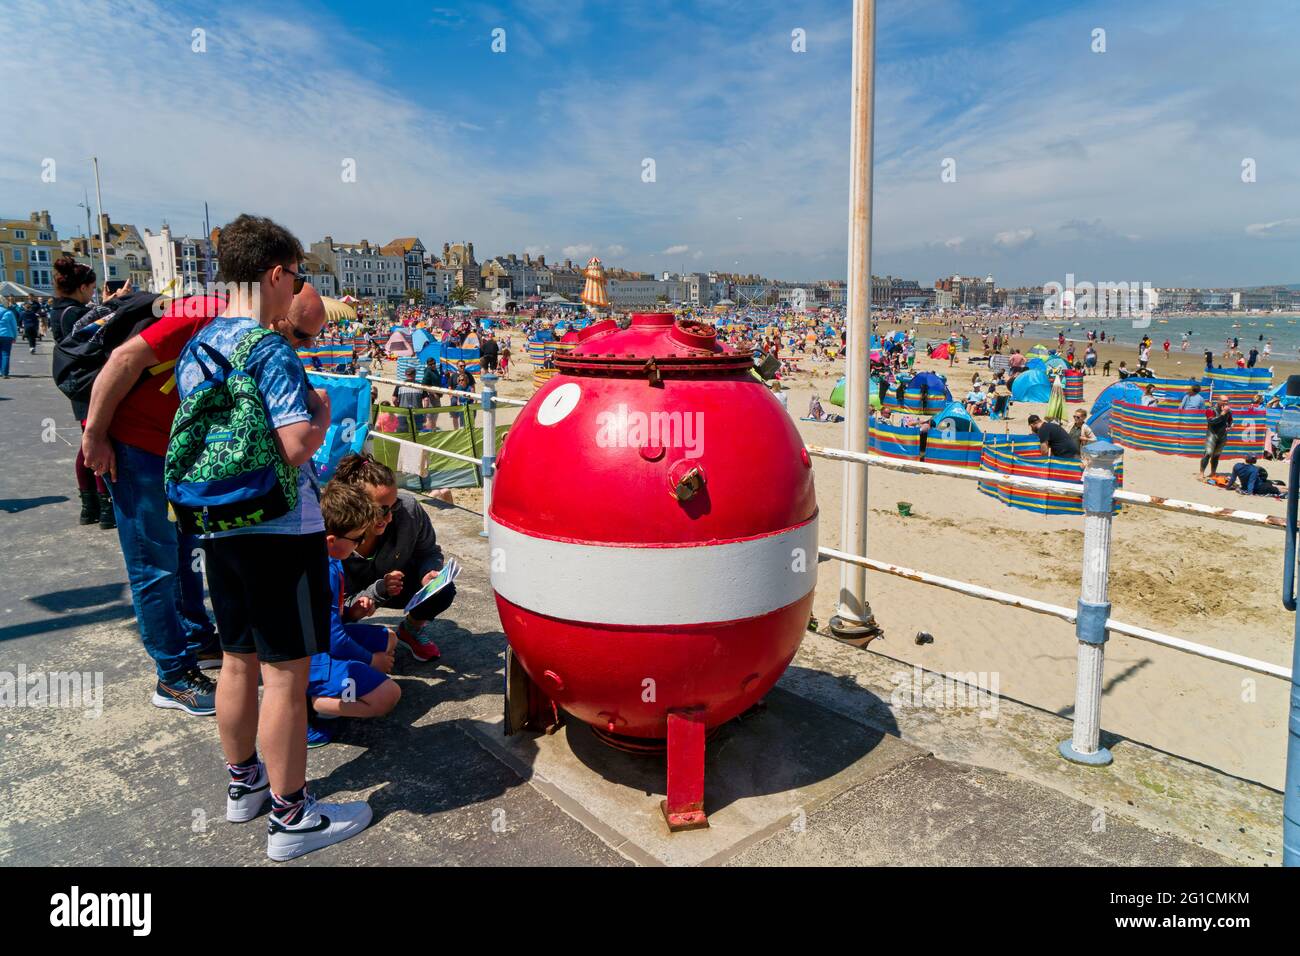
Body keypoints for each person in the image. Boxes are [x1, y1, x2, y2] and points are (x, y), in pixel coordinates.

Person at [174, 214, 371, 862]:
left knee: (236, 661)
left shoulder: (199, 348)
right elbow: (291, 448)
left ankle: (244, 787)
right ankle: (292, 820)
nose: (297, 290)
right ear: (275, 274)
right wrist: (319, 414)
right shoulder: (267, 348)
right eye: (295, 276)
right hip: (280, 531)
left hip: (219, 526)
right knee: (286, 677)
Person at [81, 293, 226, 714]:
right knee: (154, 564)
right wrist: (94, 433)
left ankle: (197, 640)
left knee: (185, 551)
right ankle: (172, 678)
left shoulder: (248, 327)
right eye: (302, 334)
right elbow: (124, 360)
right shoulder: (204, 310)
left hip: (178, 449)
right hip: (138, 448)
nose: (303, 343)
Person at [333, 453, 456, 662]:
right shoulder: (334, 535)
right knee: (335, 620)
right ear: (353, 505)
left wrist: (429, 572)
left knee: (443, 589)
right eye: (380, 510)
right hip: (353, 600)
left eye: (394, 504)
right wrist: (376, 592)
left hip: (397, 587)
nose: (389, 516)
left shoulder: (408, 509)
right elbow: (336, 603)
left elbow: (429, 551)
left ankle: (411, 629)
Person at [307, 481, 402, 748]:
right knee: (388, 696)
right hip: (312, 659)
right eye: (358, 538)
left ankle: (332, 693)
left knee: (390, 638)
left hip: (321, 644)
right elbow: (333, 638)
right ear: (331, 540)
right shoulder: (323, 569)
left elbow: (331, 622)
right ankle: (311, 704)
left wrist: (352, 612)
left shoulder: (331, 557)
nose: (361, 543)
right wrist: (371, 660)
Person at [50, 256, 116, 529]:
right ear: (81, 288)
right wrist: (111, 306)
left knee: (86, 443)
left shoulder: (58, 310)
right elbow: (95, 336)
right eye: (90, 289)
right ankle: (103, 507)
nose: (92, 293)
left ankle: (89, 506)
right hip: (90, 384)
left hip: (78, 385)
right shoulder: (75, 313)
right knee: (96, 442)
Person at [1198, 399, 1233, 479]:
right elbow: (1211, 422)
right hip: (1212, 434)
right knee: (1208, 453)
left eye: (1227, 401)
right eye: (1224, 401)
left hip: (1222, 435)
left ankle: (1213, 473)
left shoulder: (1228, 411)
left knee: (1216, 455)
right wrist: (1222, 414)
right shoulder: (1210, 410)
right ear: (1218, 401)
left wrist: (1230, 426)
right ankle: (1201, 473)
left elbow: (1230, 421)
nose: (1226, 402)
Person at [0, 298, 16, 378]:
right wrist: (14, 337)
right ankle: (5, 373)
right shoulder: (9, 312)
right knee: (5, 354)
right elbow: (14, 326)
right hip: (7, 335)